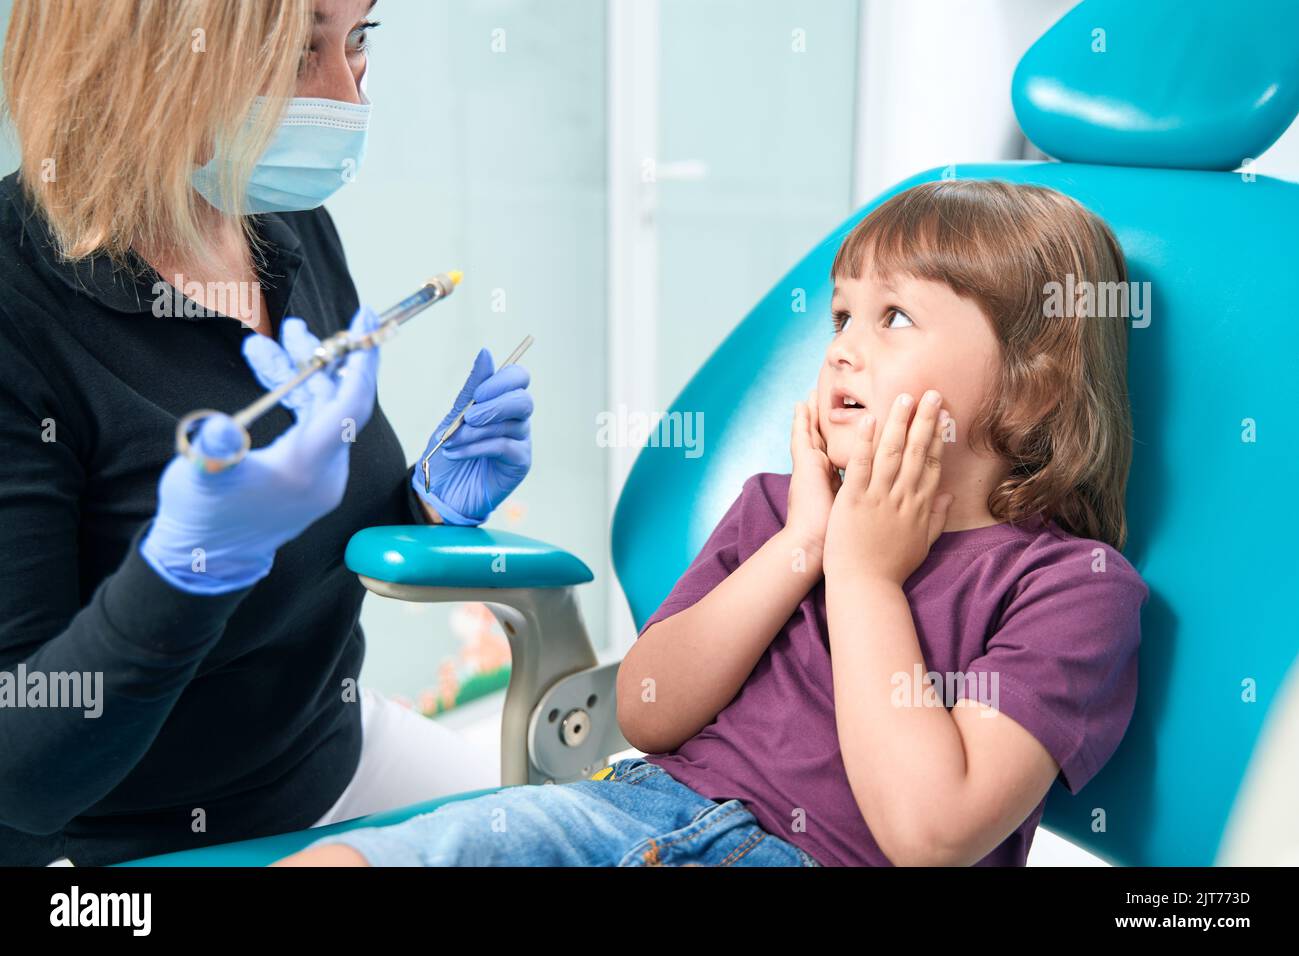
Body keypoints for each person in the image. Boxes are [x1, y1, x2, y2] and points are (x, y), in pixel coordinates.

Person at [274, 179, 1149, 867]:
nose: (843, 345)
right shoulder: (781, 512)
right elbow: (647, 711)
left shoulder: (1070, 589)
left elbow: (929, 833)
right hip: (622, 812)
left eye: (896, 318)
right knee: (352, 859)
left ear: (1031, 382)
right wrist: (804, 547)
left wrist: (864, 575)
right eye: (842, 315)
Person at [0, 0, 531, 866]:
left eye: (356, 41)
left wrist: (423, 502)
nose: (347, 101)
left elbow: (311, 542)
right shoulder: (16, 313)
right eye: (291, 56)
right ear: (140, 57)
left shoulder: (279, 223)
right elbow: (22, 782)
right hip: (112, 851)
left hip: (331, 757)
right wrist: (183, 575)